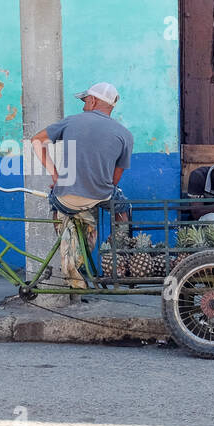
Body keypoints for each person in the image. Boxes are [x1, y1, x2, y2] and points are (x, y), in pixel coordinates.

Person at [30, 82, 133, 286]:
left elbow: (36, 141)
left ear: (93, 100)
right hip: (100, 196)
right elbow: (114, 180)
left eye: (85, 100)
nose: (83, 105)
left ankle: (66, 242)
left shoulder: (71, 122)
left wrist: (56, 176)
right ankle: (117, 250)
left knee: (58, 204)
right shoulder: (125, 135)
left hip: (65, 198)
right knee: (123, 207)